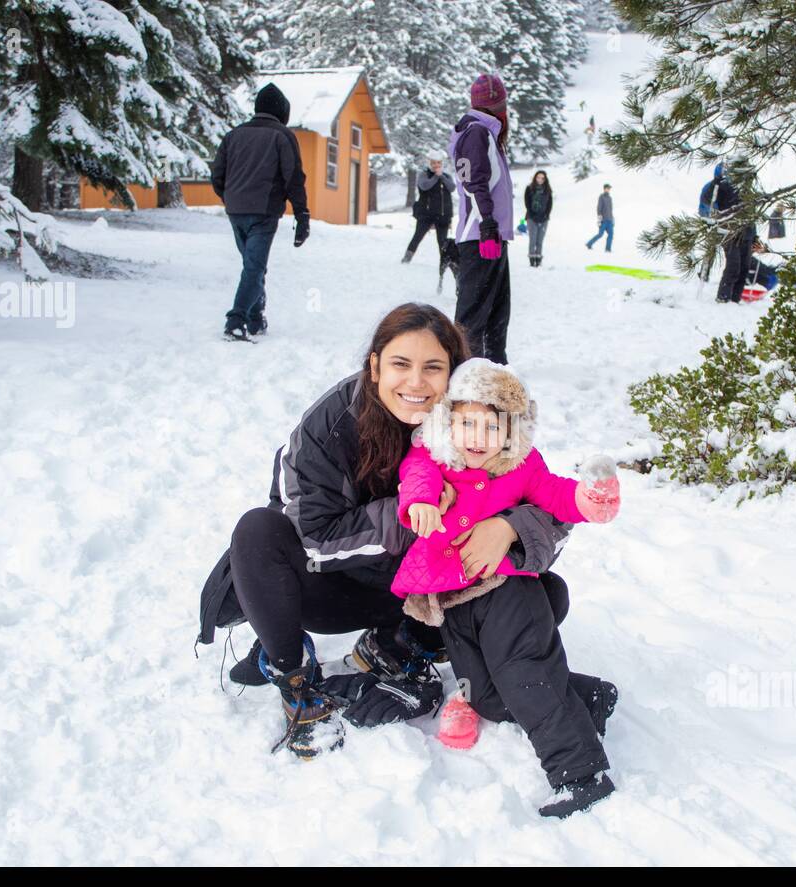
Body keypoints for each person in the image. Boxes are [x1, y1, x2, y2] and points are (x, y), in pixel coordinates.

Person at [214, 304, 574, 758]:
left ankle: (399, 645)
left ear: (455, 375)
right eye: (401, 364)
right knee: (256, 531)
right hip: (335, 587)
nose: (416, 383)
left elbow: (552, 506)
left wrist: (508, 529)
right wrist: (410, 514)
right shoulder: (332, 423)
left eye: (433, 368)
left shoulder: (479, 422)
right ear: (375, 364)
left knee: (547, 597)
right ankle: (295, 678)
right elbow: (311, 534)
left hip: (429, 592)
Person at [392, 358, 621, 817]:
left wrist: (588, 498)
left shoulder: (522, 466)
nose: (478, 437)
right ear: (449, 421)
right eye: (467, 422)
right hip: (454, 601)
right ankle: (588, 696)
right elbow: (415, 477)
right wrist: (419, 501)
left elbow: (557, 495)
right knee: (488, 696)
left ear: (511, 430)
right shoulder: (433, 457)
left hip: (508, 591)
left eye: (491, 426)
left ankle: (581, 774)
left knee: (526, 676)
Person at [210, 83, 310, 341]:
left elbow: (217, 174)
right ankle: (236, 320)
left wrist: (230, 197)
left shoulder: (233, 135)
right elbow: (293, 178)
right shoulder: (282, 135)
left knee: (252, 266)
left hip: (235, 210)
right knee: (254, 267)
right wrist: (302, 215)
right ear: (282, 111)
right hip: (264, 211)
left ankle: (255, 319)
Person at [449, 73, 515, 365]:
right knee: (473, 316)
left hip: (491, 235)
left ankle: (495, 370)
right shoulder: (476, 132)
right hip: (481, 237)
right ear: (498, 105)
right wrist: (487, 223)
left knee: (497, 312)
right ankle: (463, 374)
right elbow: (472, 182)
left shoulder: (483, 132)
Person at [707, 162, 755, 304]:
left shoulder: (748, 191)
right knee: (733, 266)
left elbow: (752, 214)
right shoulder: (723, 186)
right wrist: (715, 183)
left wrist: (755, 235)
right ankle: (723, 298)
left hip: (747, 233)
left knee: (744, 268)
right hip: (728, 232)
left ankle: (735, 300)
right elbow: (708, 199)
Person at [402, 150, 455, 271]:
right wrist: (436, 176)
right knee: (418, 236)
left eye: (438, 163)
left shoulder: (446, 176)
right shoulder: (424, 175)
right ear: (429, 163)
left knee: (442, 242)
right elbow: (424, 186)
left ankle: (444, 263)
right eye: (433, 163)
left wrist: (441, 176)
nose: (436, 165)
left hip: (443, 216)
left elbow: (452, 188)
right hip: (426, 214)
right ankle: (407, 258)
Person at [523, 170, 553, 267]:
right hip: (531, 218)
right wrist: (532, 215)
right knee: (533, 239)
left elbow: (550, 204)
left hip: (544, 218)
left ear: (545, 179)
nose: (540, 179)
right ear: (535, 178)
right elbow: (527, 203)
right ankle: (532, 259)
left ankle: (538, 259)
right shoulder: (529, 188)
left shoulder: (548, 190)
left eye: (542, 178)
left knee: (540, 240)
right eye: (538, 177)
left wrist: (546, 215)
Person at [585, 183, 613, 252]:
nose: (608, 189)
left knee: (611, 234)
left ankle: (608, 249)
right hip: (603, 220)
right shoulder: (601, 197)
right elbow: (599, 208)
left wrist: (613, 219)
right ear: (604, 189)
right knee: (600, 234)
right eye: (607, 188)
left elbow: (610, 209)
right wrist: (599, 219)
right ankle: (589, 244)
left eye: (609, 188)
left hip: (609, 220)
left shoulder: (610, 198)